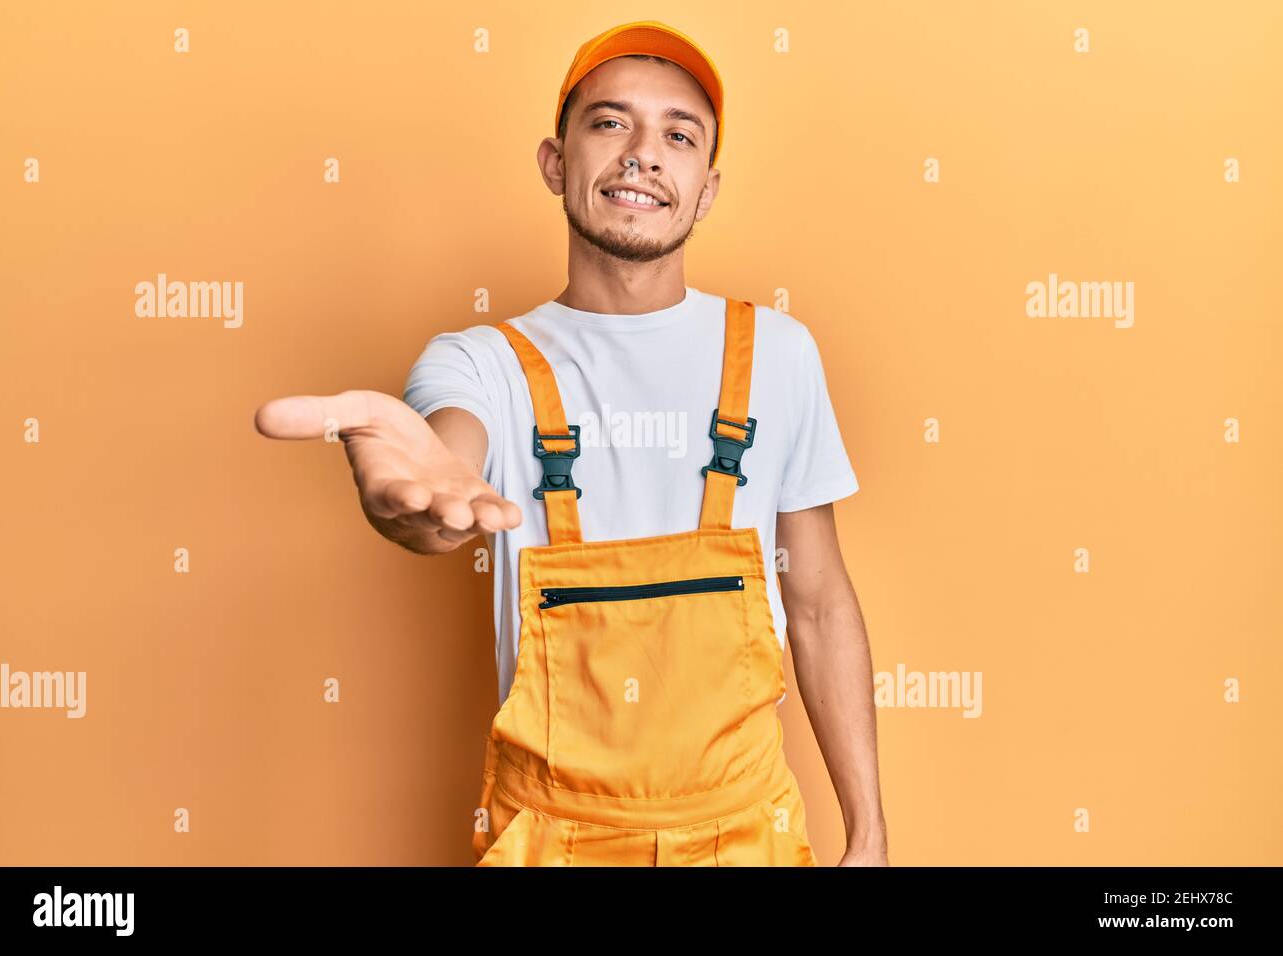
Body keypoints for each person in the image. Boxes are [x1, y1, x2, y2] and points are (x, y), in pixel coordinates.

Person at [255, 20, 888, 867]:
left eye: (678, 133)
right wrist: (421, 504)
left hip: (750, 836)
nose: (642, 153)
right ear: (557, 164)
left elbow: (817, 601)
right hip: (550, 840)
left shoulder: (778, 353)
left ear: (705, 188)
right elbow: (443, 473)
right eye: (609, 122)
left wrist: (870, 832)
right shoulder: (480, 363)